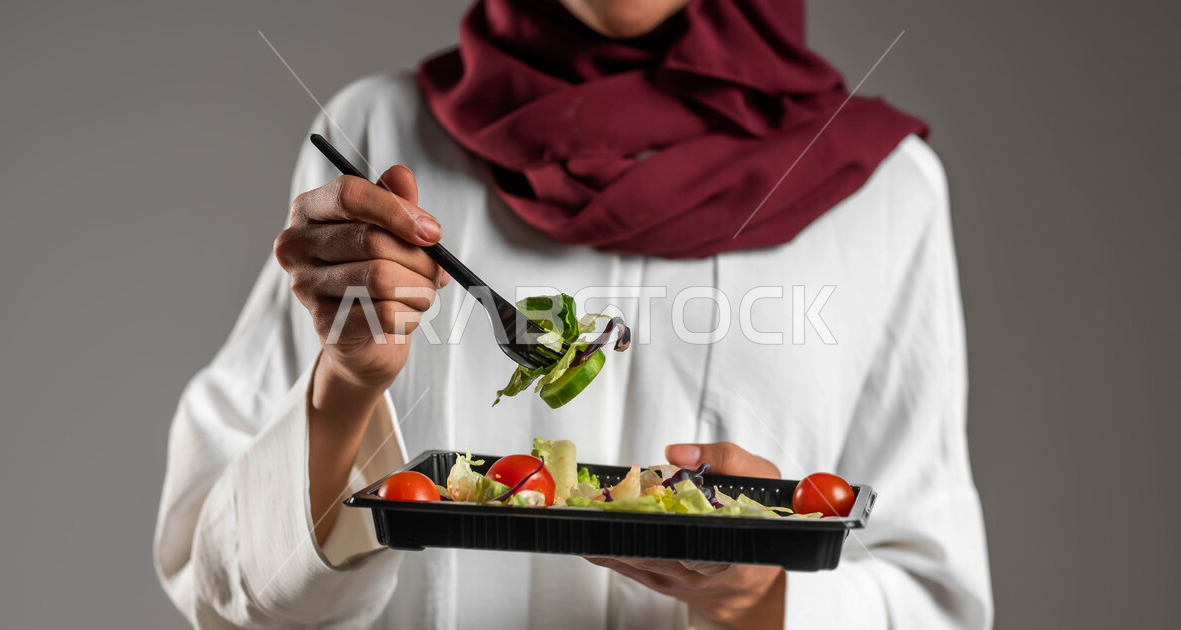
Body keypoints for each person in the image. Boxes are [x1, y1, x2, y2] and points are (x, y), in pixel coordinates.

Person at [154, 0, 992, 627]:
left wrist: (763, 597)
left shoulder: (888, 192)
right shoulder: (378, 135)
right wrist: (345, 389)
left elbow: (935, 600)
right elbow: (222, 589)